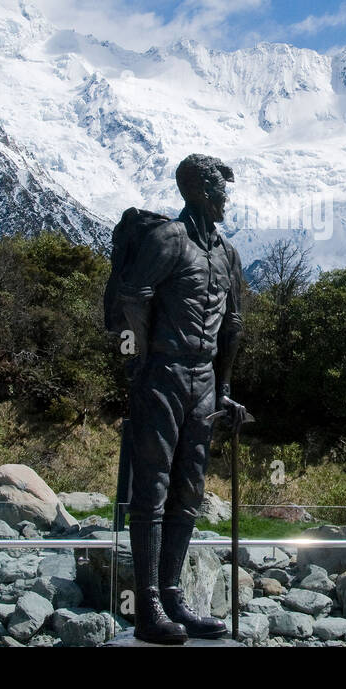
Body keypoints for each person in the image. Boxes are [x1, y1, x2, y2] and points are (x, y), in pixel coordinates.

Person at [114, 153, 248, 643]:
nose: (225, 197)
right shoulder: (169, 239)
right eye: (217, 188)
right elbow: (134, 294)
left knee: (190, 490)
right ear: (196, 191)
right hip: (164, 374)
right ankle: (147, 605)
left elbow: (233, 324)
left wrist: (226, 389)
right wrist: (142, 359)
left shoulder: (228, 253)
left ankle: (172, 595)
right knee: (151, 488)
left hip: (204, 385)